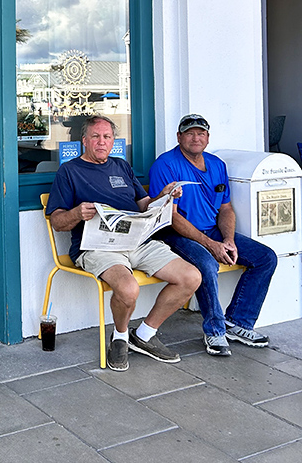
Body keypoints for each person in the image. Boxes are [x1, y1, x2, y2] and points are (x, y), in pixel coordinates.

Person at [46, 115, 201, 371]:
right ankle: (119, 337)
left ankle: (145, 335)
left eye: (107, 137)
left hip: (136, 241)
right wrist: (76, 214)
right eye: (95, 137)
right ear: (84, 141)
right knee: (128, 290)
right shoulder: (70, 171)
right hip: (98, 247)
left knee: (191, 277)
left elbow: (141, 205)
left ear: (113, 141)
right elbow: (57, 221)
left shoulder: (121, 166)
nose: (101, 142)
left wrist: (162, 197)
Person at [149, 114, 278, 357]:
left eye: (200, 133)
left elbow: (226, 208)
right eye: (189, 133)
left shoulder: (217, 165)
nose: (195, 138)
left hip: (214, 231)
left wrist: (227, 239)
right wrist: (211, 244)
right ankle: (215, 331)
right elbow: (171, 217)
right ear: (179, 137)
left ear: (207, 138)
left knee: (265, 257)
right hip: (177, 233)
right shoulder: (165, 165)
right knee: (207, 264)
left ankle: (237, 324)